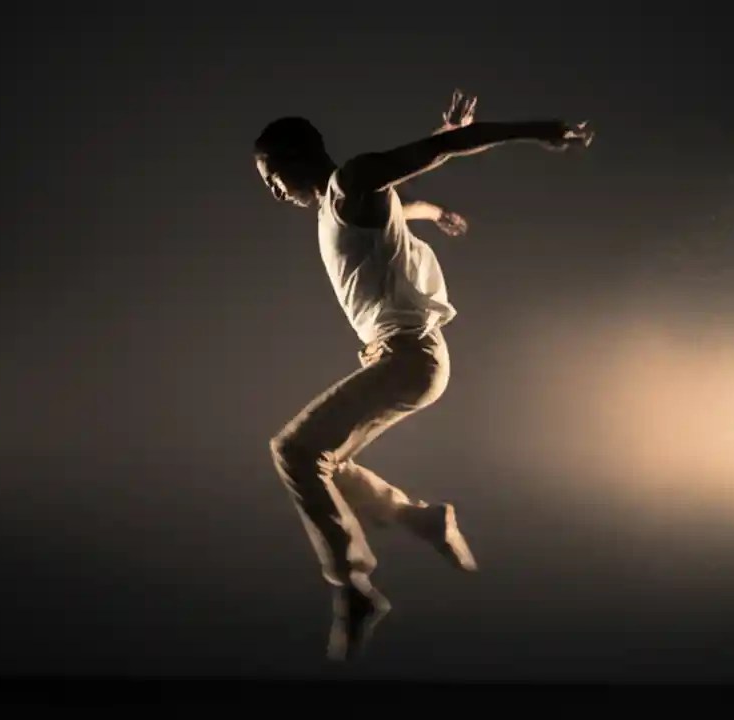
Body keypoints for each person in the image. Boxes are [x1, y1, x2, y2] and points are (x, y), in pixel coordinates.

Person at [253, 89, 594, 661]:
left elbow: (439, 153)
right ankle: (424, 521)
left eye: (272, 175)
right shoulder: (344, 207)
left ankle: (354, 589)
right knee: (322, 462)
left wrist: (537, 127)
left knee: (294, 452)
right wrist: (434, 212)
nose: (272, 189)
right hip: (405, 361)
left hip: (408, 358)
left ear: (297, 157)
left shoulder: (353, 182)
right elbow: (400, 208)